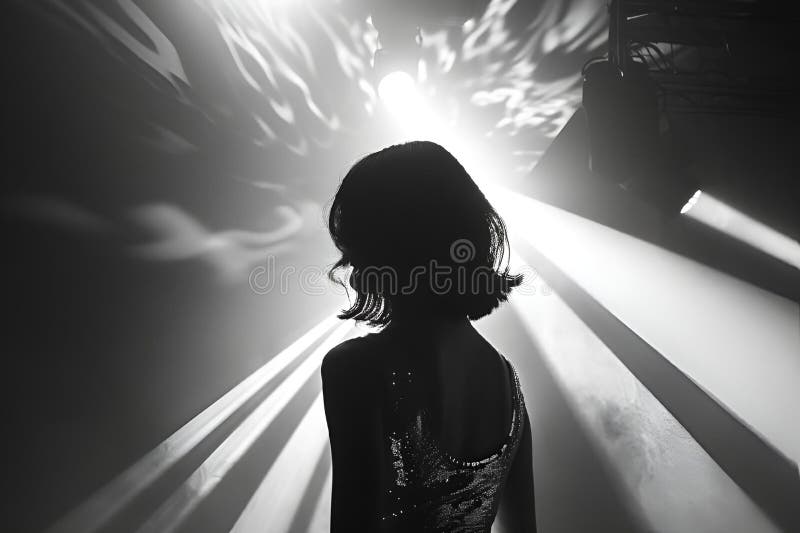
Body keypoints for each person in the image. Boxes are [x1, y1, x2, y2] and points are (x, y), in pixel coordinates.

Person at [321, 141, 536, 532]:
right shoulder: (507, 380)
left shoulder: (356, 367)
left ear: (385, 245)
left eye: (354, 243)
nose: (349, 264)